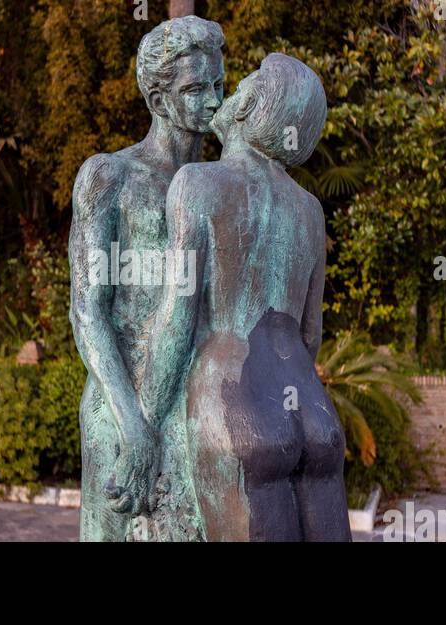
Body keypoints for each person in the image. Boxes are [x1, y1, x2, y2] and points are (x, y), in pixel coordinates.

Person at [139, 53, 350, 541]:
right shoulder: (309, 211)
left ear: (251, 107)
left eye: (245, 83)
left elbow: (176, 322)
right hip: (313, 412)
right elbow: (310, 335)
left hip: (234, 405)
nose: (230, 91)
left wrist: (143, 429)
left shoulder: (197, 185)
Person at [69, 16, 224, 542]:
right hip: (120, 404)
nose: (212, 101)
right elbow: (87, 311)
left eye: (219, 86)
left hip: (191, 403)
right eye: (195, 89)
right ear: (159, 102)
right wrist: (132, 425)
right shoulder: (109, 176)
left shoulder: (218, 187)